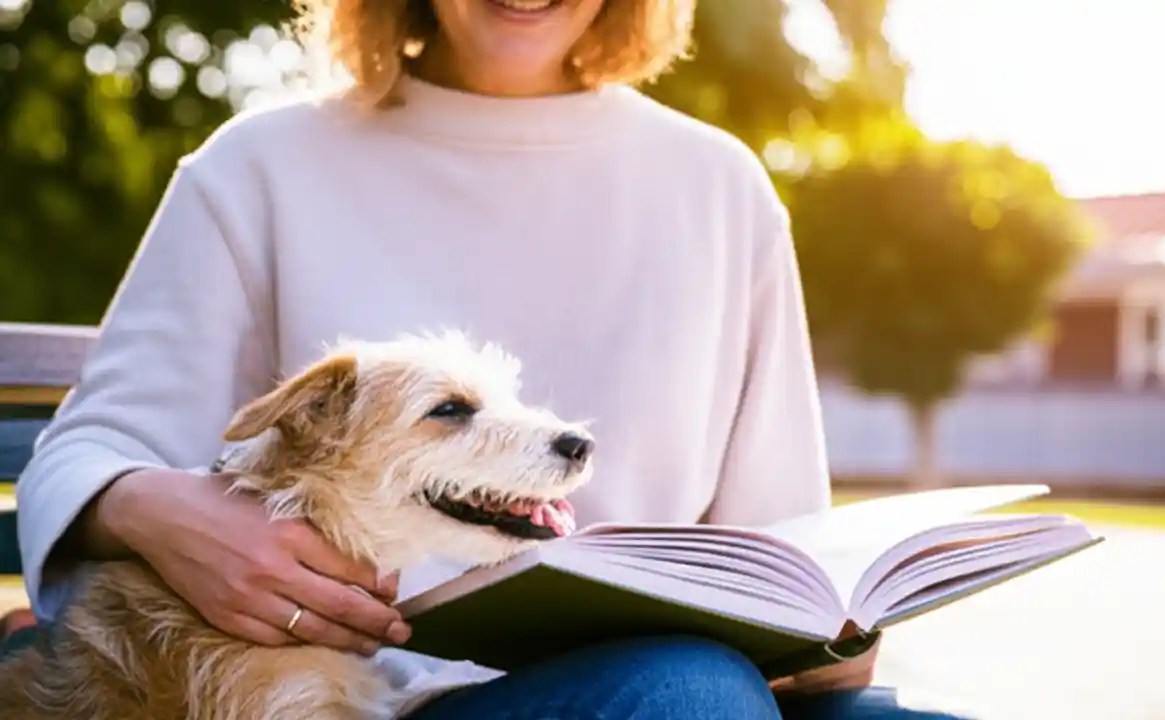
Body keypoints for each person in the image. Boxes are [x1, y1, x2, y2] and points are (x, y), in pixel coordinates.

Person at [10, 0, 968, 717]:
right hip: (348, 694)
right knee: (688, 691)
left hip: (658, 689)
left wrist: (826, 628)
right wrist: (154, 508)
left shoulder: (722, 188)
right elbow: (89, 449)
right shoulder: (255, 166)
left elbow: (779, 532)